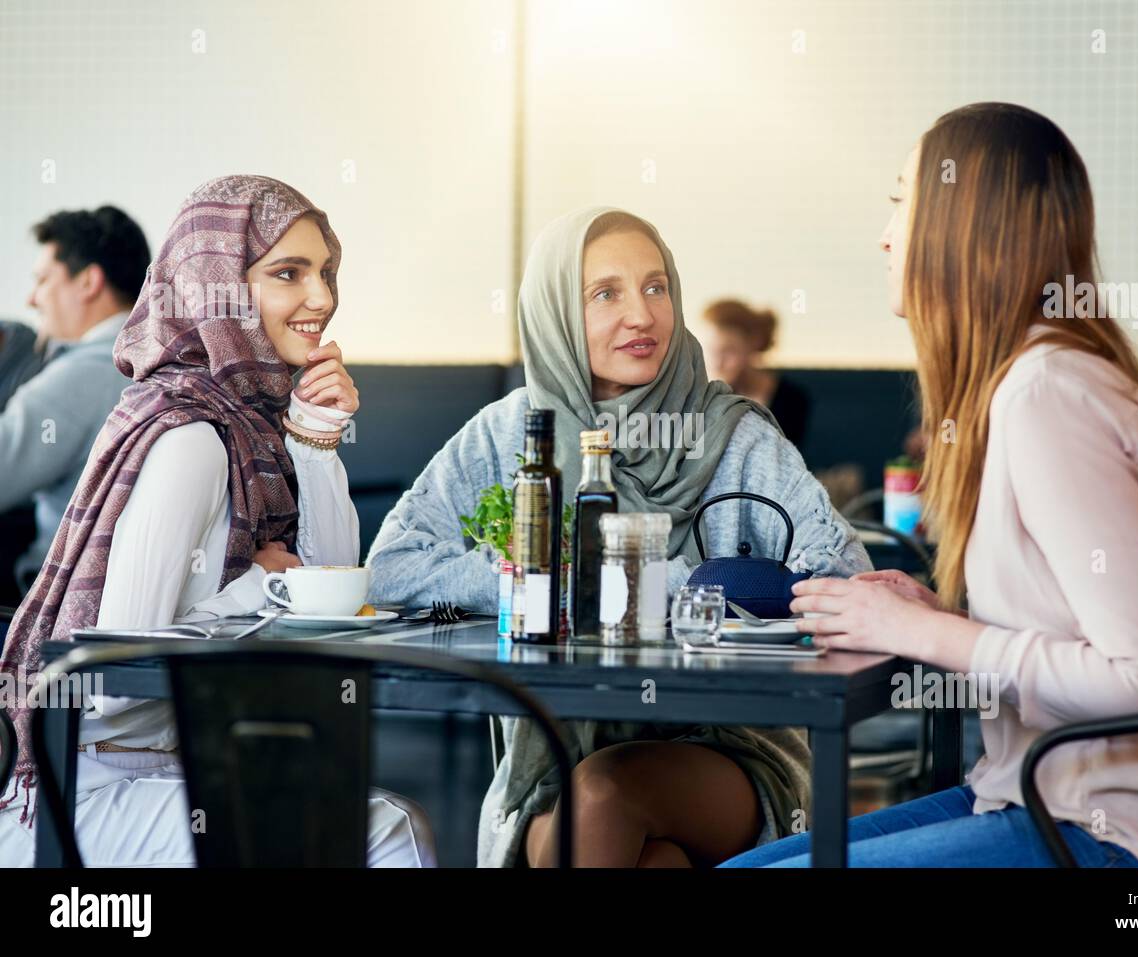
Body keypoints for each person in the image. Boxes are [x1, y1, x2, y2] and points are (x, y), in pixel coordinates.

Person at [722, 103, 1138, 868]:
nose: (885, 235)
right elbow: (1074, 635)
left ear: (964, 219)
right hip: (1038, 799)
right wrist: (938, 617)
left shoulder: (1047, 395)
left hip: (1125, 842)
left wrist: (927, 634)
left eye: (900, 202)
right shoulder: (1034, 382)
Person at [367, 207, 870, 867]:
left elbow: (843, 568)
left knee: (602, 798)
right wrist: (536, 581)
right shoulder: (512, 430)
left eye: (656, 286)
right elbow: (392, 567)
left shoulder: (732, 432)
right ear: (554, 314)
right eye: (606, 293)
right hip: (555, 753)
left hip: (732, 750)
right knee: (638, 851)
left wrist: (705, 594)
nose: (643, 314)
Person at [0, 175, 424, 867]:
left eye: (325, 272)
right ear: (216, 287)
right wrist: (262, 584)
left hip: (178, 764)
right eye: (289, 273)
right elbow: (111, 679)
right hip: (89, 785)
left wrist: (317, 440)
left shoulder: (253, 422)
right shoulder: (190, 437)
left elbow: (331, 586)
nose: (322, 297)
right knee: (387, 833)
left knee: (382, 822)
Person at [0, 207, 150, 595]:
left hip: (50, 610)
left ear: (88, 282)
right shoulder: (164, 362)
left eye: (43, 279)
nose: (32, 298)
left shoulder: (80, 375)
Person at [696, 299, 811, 449]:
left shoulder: (791, 401)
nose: (717, 363)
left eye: (728, 351)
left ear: (753, 344)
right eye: (710, 351)